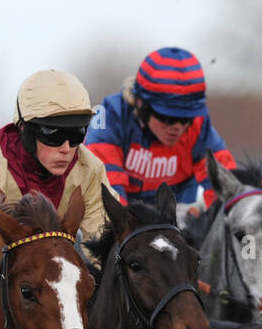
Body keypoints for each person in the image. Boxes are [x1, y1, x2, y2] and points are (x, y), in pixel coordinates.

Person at [0, 69, 113, 249]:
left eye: (77, 134)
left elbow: (104, 248)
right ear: (24, 128)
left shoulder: (90, 169)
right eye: (53, 134)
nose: (66, 149)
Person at [85, 47, 237, 210]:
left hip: (177, 220)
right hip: (123, 221)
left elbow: (228, 190)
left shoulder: (198, 125)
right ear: (141, 104)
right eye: (168, 117)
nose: (177, 127)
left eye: (186, 118)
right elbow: (109, 198)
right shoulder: (111, 120)